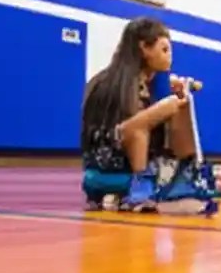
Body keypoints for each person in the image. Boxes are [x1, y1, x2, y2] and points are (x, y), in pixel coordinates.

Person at [81, 16, 200, 212]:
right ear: (144, 48)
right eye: (164, 49)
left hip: (93, 176)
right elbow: (133, 131)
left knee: (178, 102)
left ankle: (180, 176)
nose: (170, 56)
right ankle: (157, 183)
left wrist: (180, 97)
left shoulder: (108, 81)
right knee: (174, 105)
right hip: (123, 173)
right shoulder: (127, 88)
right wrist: (173, 104)